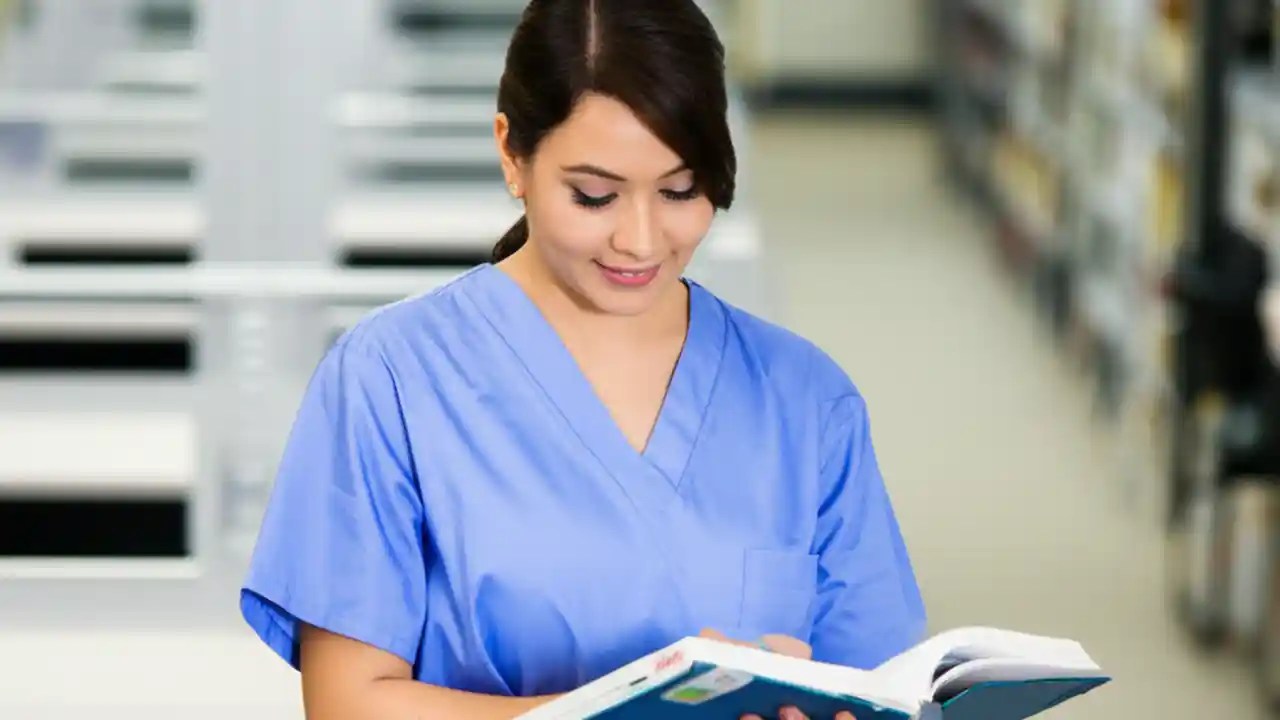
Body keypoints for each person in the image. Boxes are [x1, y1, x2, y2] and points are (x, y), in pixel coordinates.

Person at [239, 1, 926, 718]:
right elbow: (351, 705)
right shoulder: (391, 379)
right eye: (594, 196)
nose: (639, 240)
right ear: (512, 155)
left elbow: (876, 683)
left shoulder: (804, 398)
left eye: (680, 191)